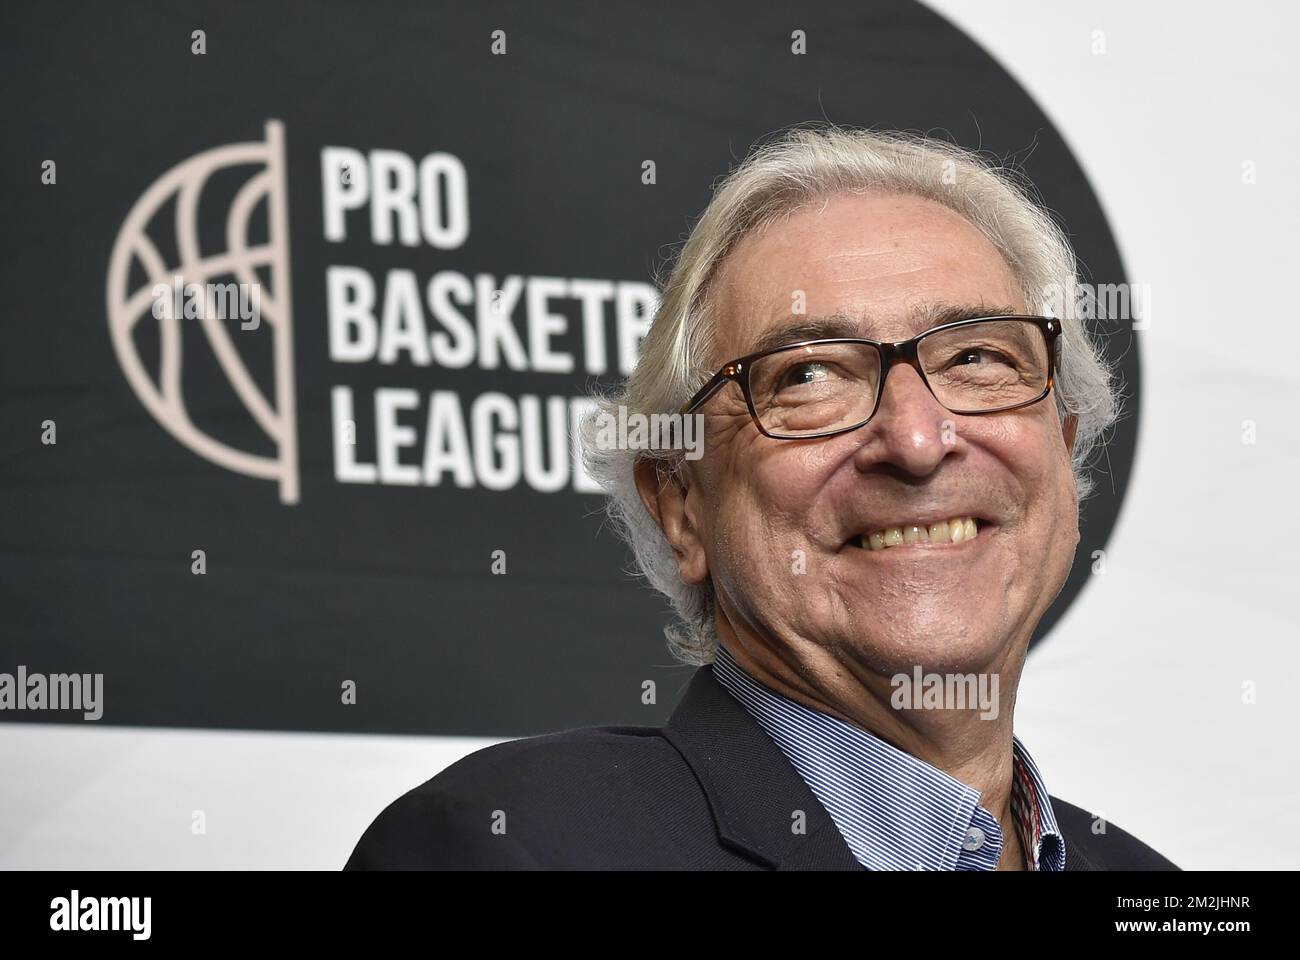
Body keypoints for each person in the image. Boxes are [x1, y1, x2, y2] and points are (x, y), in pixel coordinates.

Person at [345, 125, 1178, 870]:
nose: (918, 441)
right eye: (808, 376)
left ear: (1062, 444)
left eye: (976, 359)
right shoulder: (509, 846)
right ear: (681, 504)